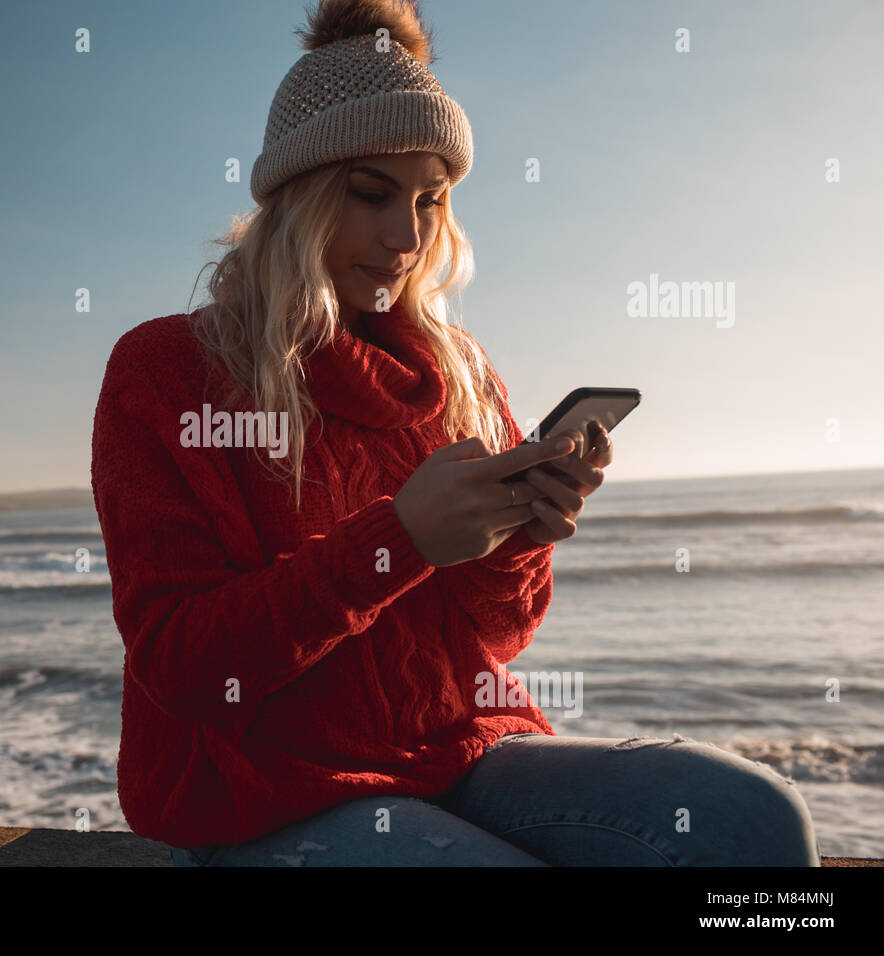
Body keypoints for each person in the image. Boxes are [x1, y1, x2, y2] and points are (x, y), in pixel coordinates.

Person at [89, 0, 820, 866]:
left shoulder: (457, 368)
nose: (405, 238)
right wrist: (398, 541)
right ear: (298, 195)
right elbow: (185, 667)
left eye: (430, 201)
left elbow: (494, 642)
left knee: (751, 816)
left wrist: (518, 540)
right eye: (371, 194)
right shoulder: (170, 371)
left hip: (456, 749)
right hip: (260, 790)